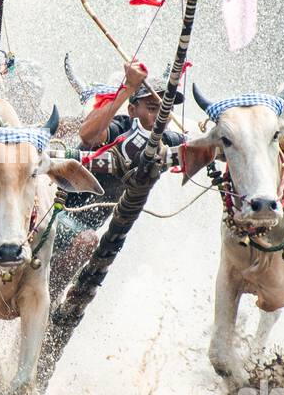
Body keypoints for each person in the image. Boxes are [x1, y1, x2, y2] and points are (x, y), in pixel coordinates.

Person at [50, 60, 185, 298]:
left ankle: (51, 299)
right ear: (132, 111)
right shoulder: (118, 128)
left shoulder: (168, 140)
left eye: (166, 110)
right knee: (87, 240)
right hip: (54, 216)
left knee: (91, 239)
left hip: (90, 231)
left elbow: (204, 149)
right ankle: (49, 298)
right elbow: (87, 134)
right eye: (153, 108)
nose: (159, 118)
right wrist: (128, 89)